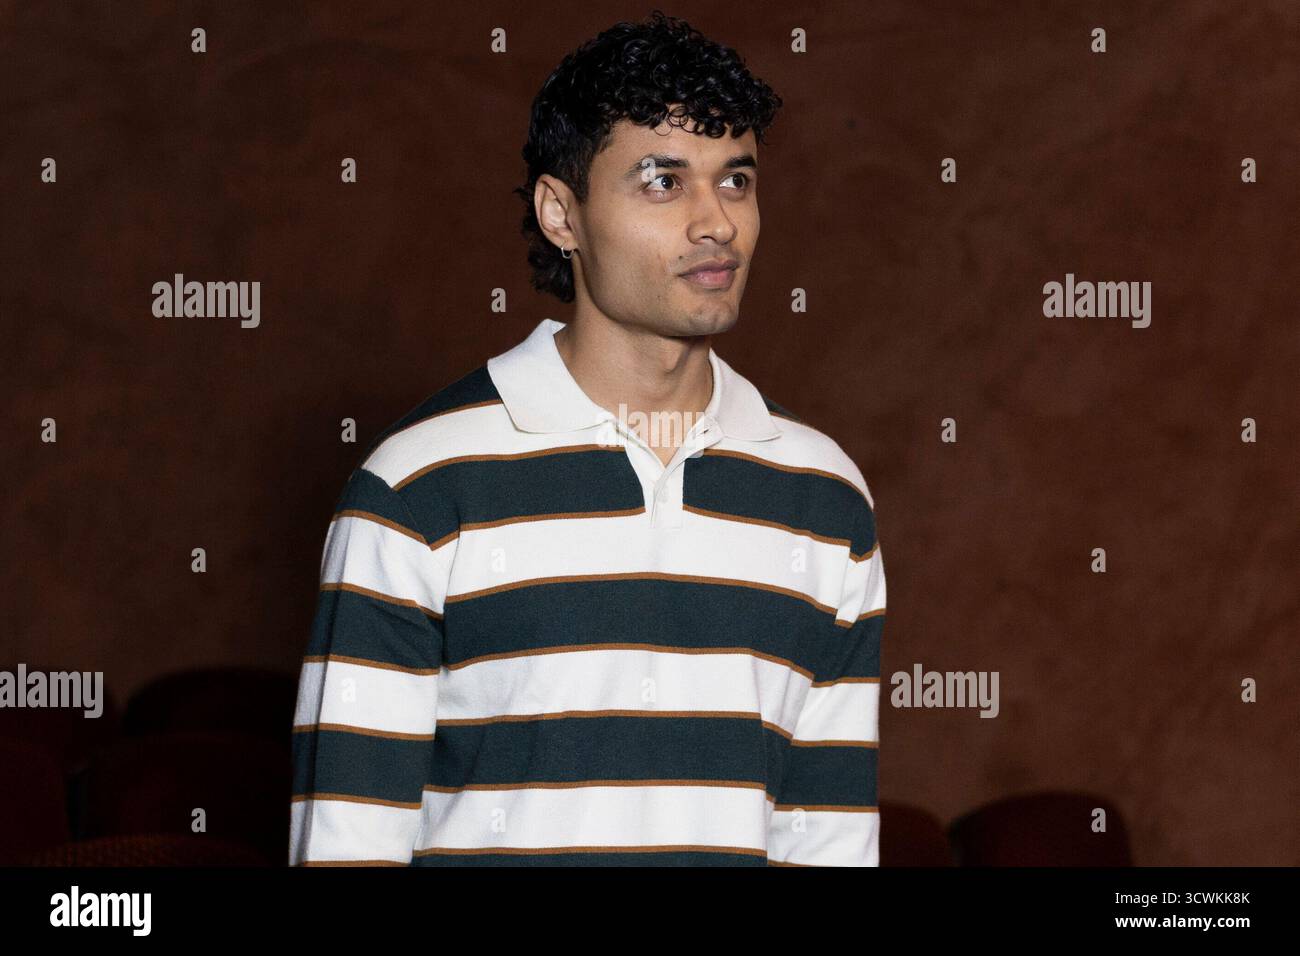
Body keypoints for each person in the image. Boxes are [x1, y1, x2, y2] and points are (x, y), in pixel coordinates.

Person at [290, 10, 885, 867]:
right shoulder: (417, 487)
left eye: (738, 180)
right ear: (560, 215)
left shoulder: (826, 499)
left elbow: (827, 842)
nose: (716, 220)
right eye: (663, 181)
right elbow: (346, 847)